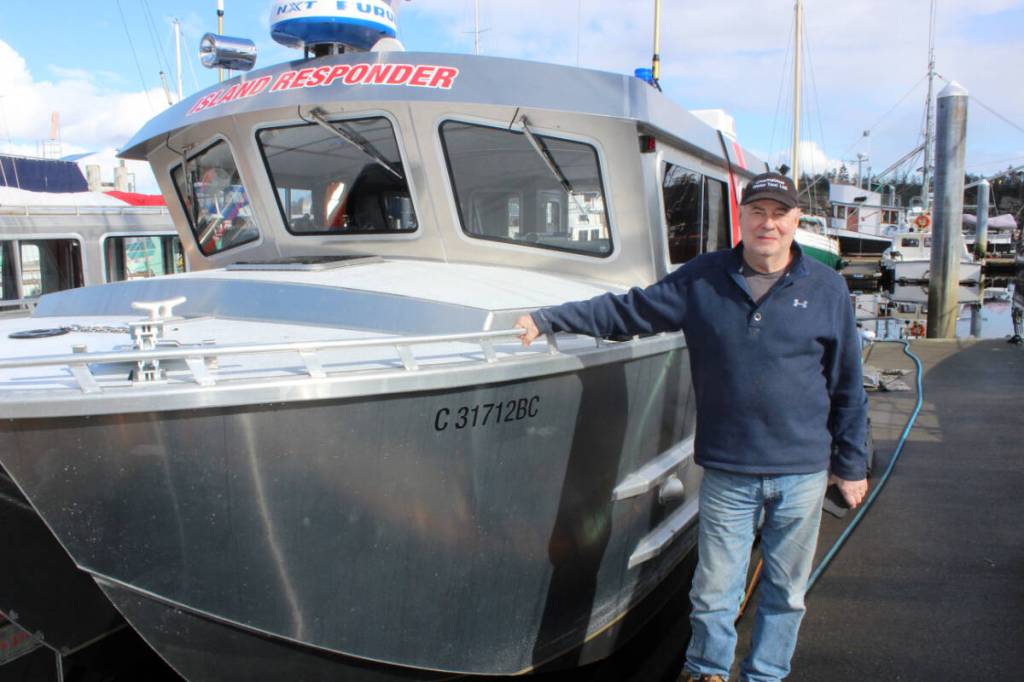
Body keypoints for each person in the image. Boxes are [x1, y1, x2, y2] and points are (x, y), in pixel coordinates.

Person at [515, 172, 869, 682]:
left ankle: (766, 674)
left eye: (779, 214)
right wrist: (549, 319)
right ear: (742, 218)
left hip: (802, 472)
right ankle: (708, 670)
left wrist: (851, 466)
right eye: (758, 212)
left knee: (786, 593)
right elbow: (630, 310)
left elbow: (848, 384)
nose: (768, 224)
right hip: (728, 470)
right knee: (713, 590)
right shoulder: (703, 278)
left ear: (796, 221)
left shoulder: (827, 288)